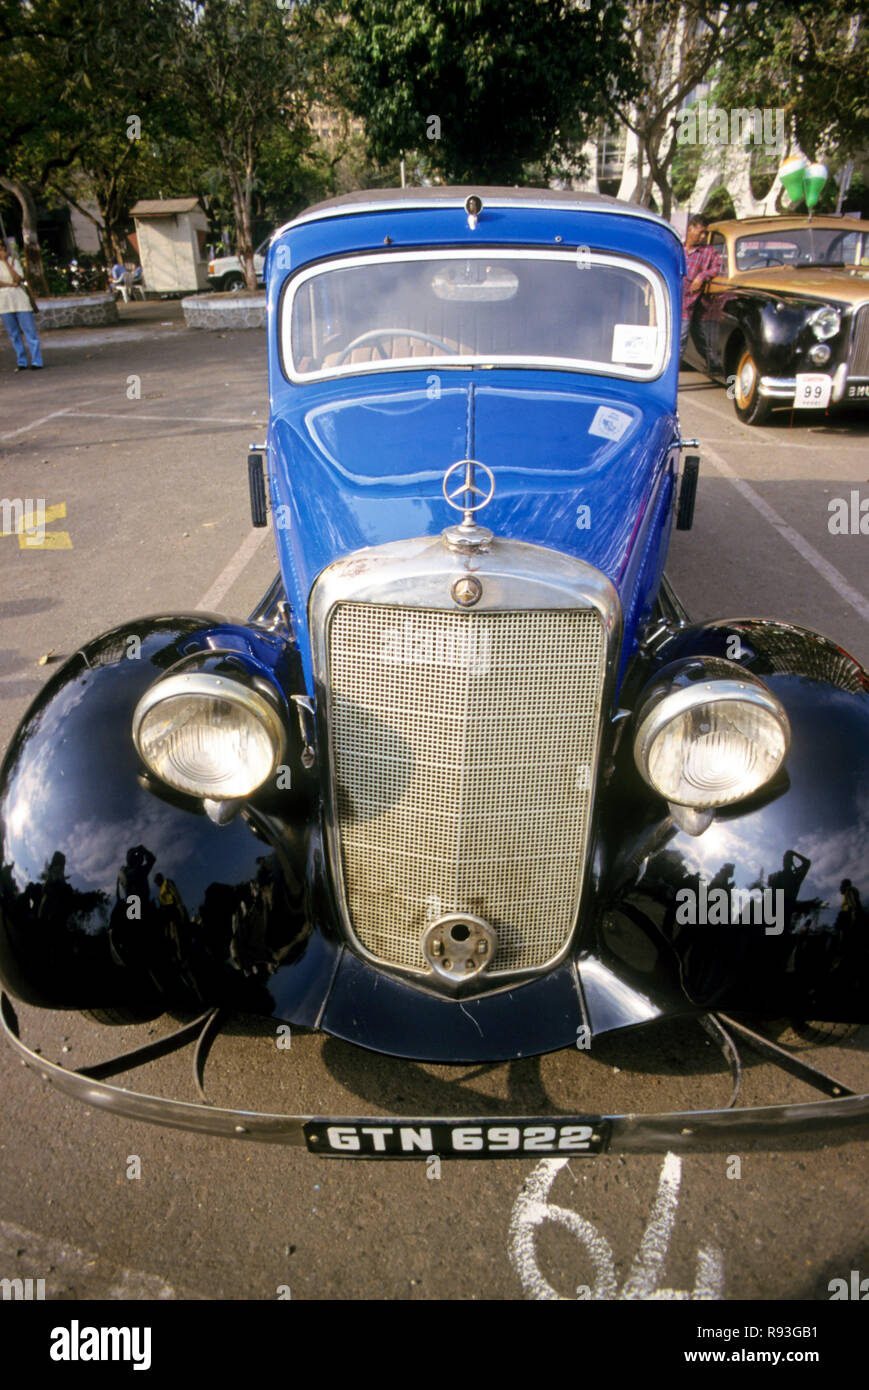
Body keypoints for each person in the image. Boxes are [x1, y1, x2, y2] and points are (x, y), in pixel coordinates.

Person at [680, 214, 721, 361]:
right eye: (701, 232)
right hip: (669, 300)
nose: (703, 236)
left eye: (705, 233)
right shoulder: (677, 247)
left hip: (687, 305)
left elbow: (717, 267)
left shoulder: (708, 252)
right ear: (691, 229)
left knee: (679, 343)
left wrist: (701, 276)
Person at [0, 239, 43, 371]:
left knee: (29, 331)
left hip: (20, 301)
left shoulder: (14, 262)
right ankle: (22, 361)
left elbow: (18, 279)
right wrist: (10, 284)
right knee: (13, 333)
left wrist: (7, 263)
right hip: (4, 303)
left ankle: (37, 360)